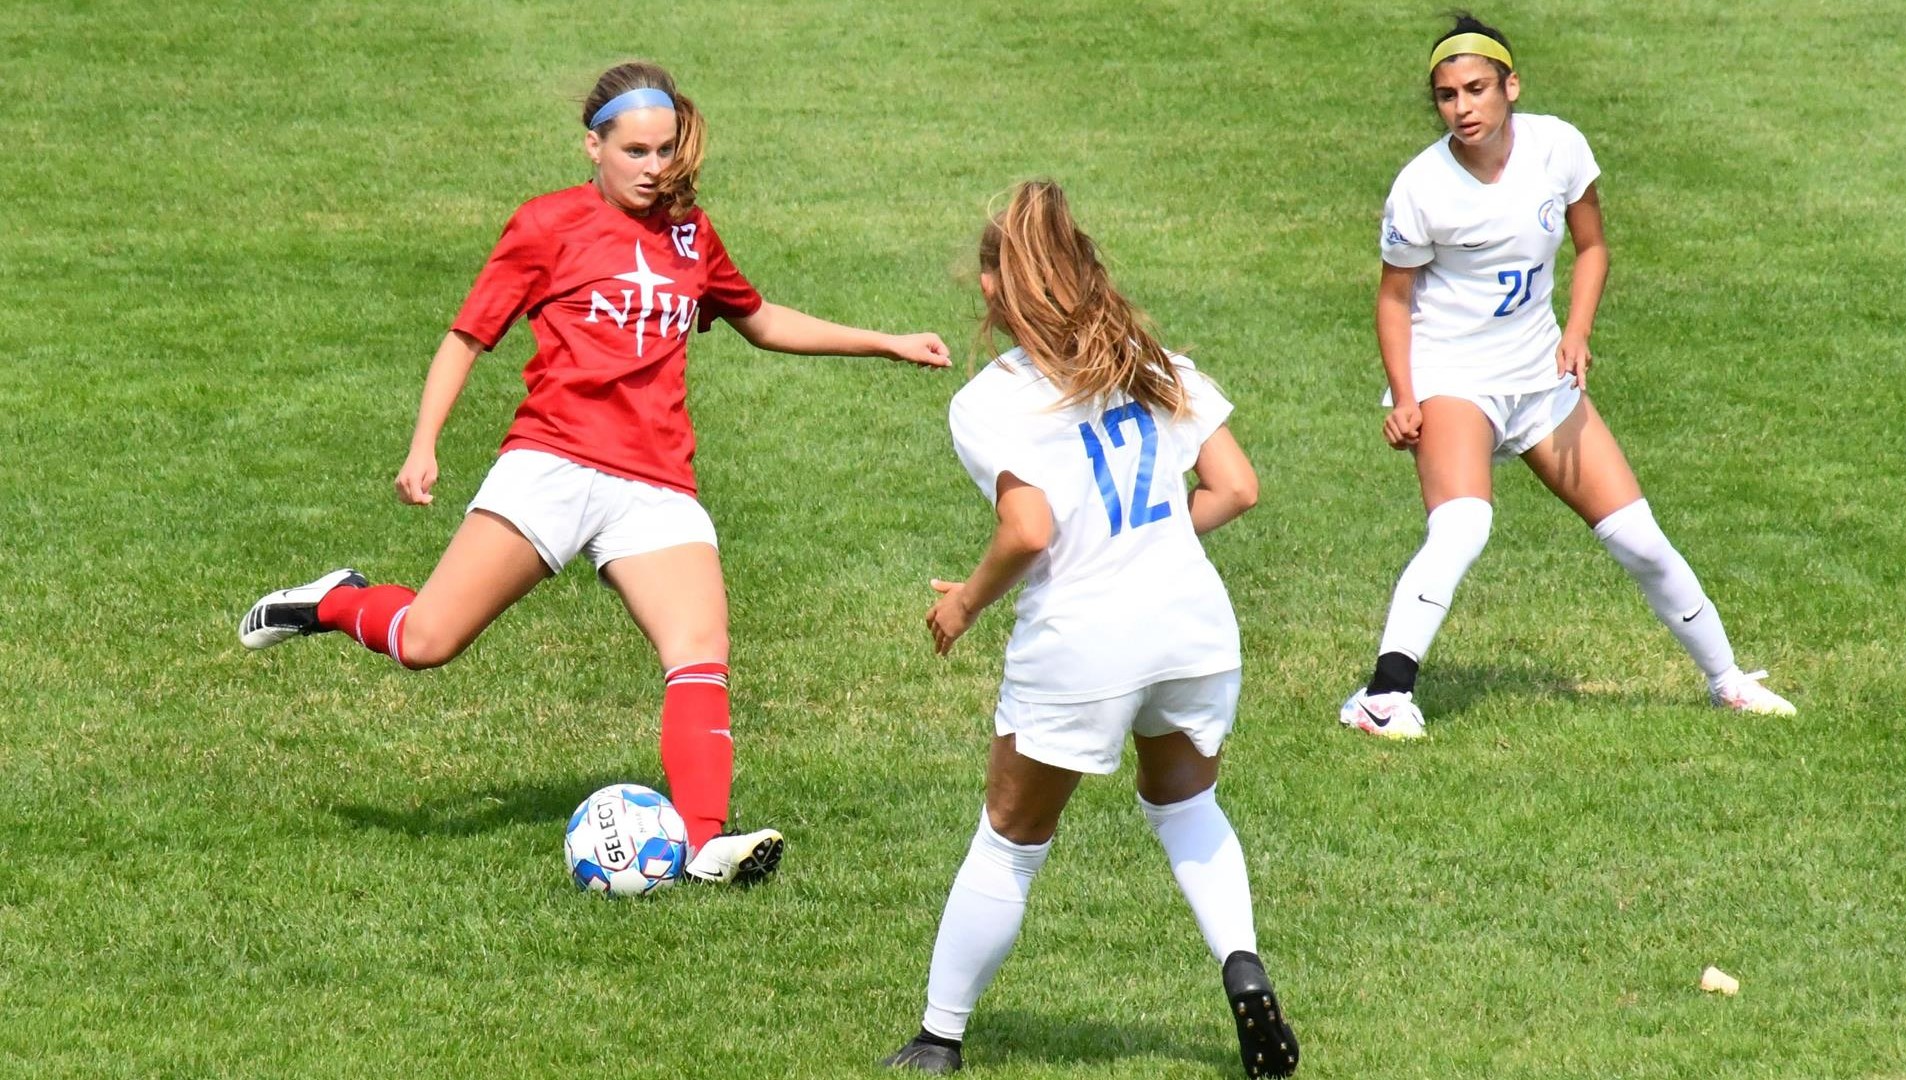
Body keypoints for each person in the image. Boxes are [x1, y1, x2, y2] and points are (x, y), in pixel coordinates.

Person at [238, 61, 950, 883]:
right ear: (593, 146)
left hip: (657, 484)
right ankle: (335, 600)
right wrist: (423, 442)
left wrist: (885, 342)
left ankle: (702, 843)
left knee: (699, 649)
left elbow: (758, 319)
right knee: (427, 642)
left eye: (665, 150)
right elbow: (467, 338)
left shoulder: (691, 234)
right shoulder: (546, 225)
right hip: (553, 464)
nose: (653, 167)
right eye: (635, 151)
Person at [882, 182, 1297, 1078]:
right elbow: (1237, 488)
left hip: (1084, 643)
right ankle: (1242, 964)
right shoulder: (1154, 362)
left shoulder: (991, 399)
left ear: (993, 287)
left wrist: (963, 605)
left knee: (1010, 839)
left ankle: (938, 1038)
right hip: (1192, 625)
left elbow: (1028, 531)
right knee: (1186, 805)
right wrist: (1144, 545)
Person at [1340, 15, 1796, 740]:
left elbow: (1593, 247)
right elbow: (1394, 299)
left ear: (1511, 87)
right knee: (1464, 524)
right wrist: (1404, 394)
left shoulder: (1559, 148)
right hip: (1455, 378)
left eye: (1477, 89)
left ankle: (1729, 683)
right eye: (1447, 95)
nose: (1463, 107)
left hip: (1541, 377)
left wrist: (1576, 332)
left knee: (1638, 537)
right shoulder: (1421, 187)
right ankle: (1383, 698)